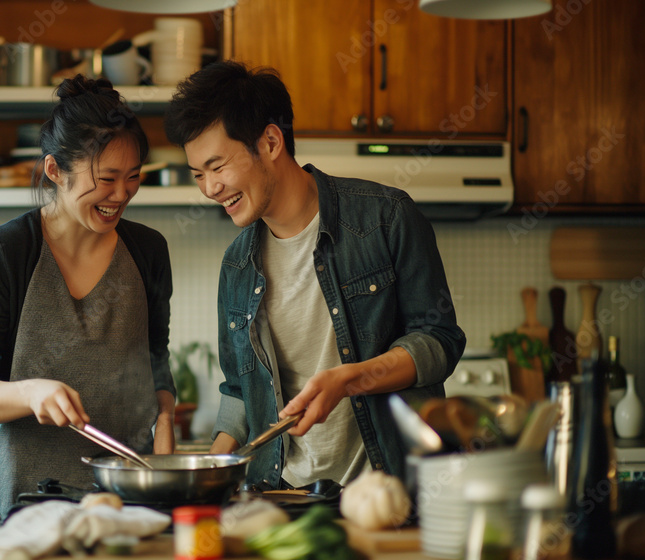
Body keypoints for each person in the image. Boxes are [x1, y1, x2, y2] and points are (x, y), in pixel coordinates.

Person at [163, 61, 465, 491]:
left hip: (390, 491)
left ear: (270, 142)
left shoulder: (385, 218)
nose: (209, 188)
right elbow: (237, 389)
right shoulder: (237, 265)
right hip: (286, 497)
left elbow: (440, 341)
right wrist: (212, 470)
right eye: (198, 175)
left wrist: (350, 379)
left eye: (217, 166)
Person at [0, 75, 176, 518]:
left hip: (128, 500)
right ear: (55, 171)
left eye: (133, 178)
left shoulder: (149, 251)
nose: (121, 195)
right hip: (27, 502)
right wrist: (30, 393)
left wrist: (165, 415)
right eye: (106, 178)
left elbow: (155, 358)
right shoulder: (5, 250)